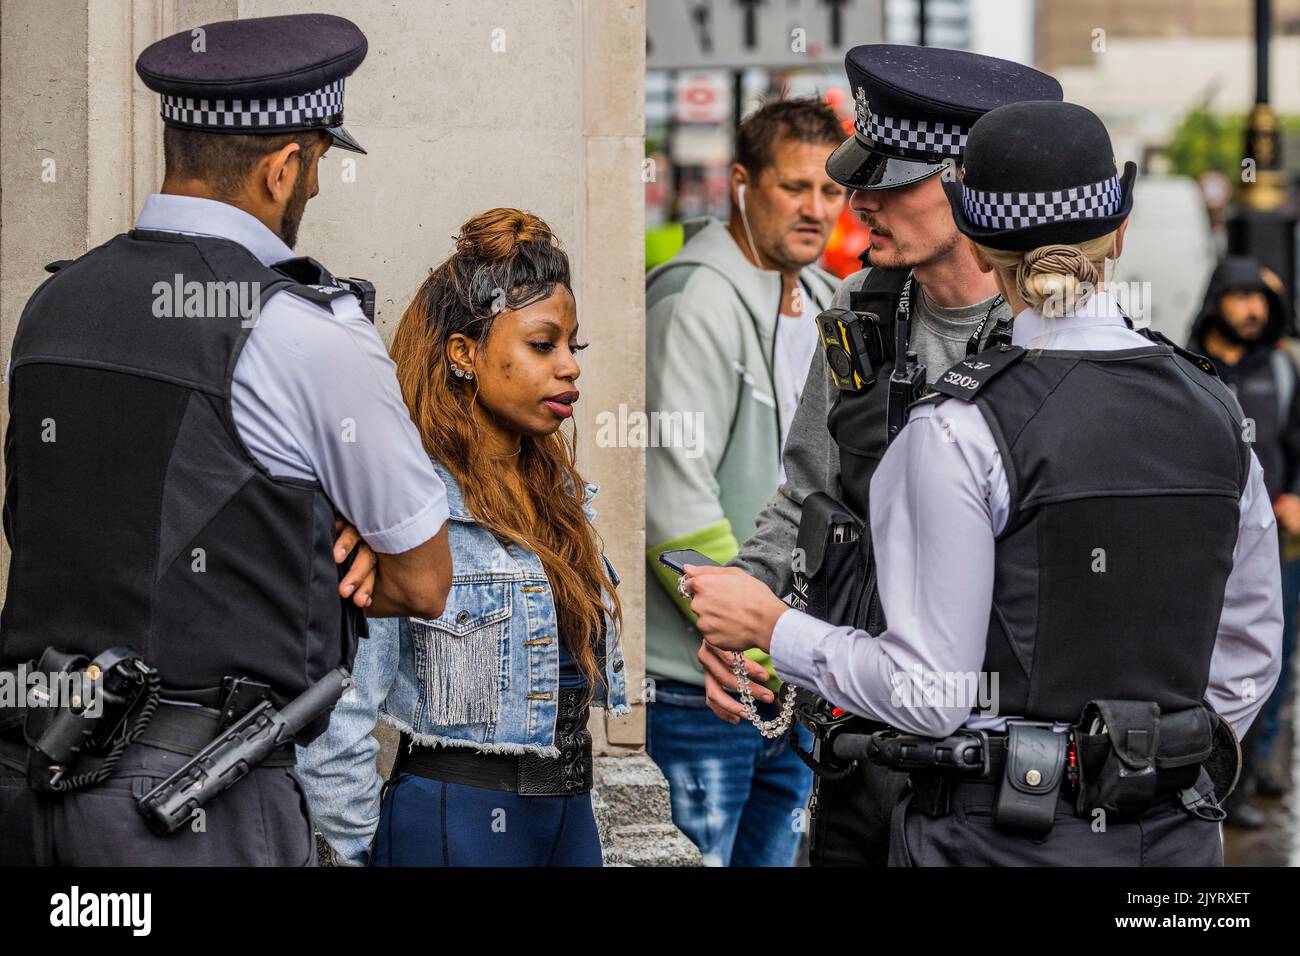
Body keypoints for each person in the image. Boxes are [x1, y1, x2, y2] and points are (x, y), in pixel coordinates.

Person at [689, 100, 1283, 866]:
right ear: (1122, 232)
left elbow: (930, 697)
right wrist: (1157, 768)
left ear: (977, 229)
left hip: (991, 833)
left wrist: (774, 629)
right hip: (1170, 841)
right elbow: (1247, 656)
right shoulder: (1216, 412)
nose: (862, 204)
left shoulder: (957, 429)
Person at [0, 14, 453, 866]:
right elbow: (426, 581)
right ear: (285, 167)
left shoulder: (51, 306)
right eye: (316, 164)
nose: (312, 190)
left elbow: (40, 524)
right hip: (189, 805)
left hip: (26, 784)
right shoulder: (304, 328)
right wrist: (323, 548)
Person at [693, 44, 1062, 866]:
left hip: (1006, 778)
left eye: (891, 181)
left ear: (970, 186)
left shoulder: (1067, 339)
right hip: (861, 745)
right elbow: (806, 494)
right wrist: (742, 618)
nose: (856, 201)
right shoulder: (863, 306)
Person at [298, 209, 629, 867]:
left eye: (574, 347)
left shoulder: (560, 499)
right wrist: (347, 854)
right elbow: (342, 711)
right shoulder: (404, 504)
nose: (570, 369)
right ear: (464, 353)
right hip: (456, 824)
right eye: (543, 345)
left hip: (569, 819)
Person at [644, 97, 843, 867]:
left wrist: (793, 651)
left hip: (791, 670)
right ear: (741, 183)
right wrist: (757, 645)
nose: (815, 209)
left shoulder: (832, 300)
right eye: (796, 188)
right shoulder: (692, 298)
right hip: (704, 689)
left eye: (831, 191)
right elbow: (674, 501)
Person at [1189, 256, 1300, 827]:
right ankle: (1199, 778)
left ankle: (1247, 778)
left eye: (1262, 300)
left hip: (1276, 545)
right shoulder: (1187, 369)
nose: (1253, 310)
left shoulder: (1281, 370)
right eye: (1240, 297)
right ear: (1215, 302)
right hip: (1201, 549)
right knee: (1201, 659)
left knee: (1269, 660)